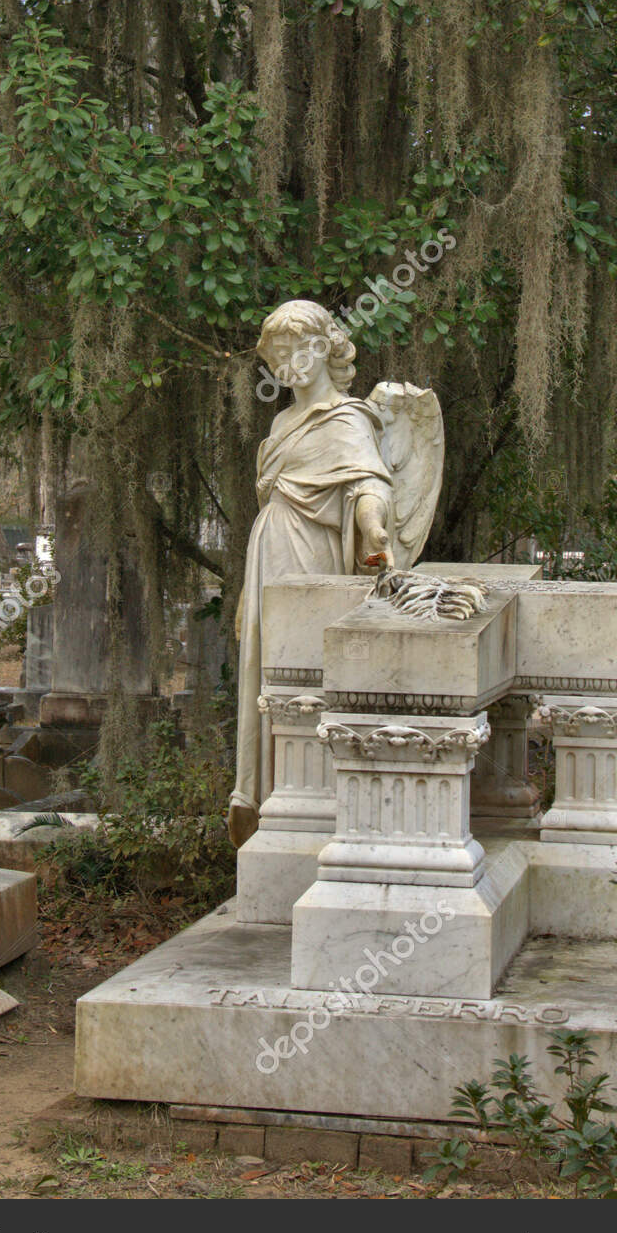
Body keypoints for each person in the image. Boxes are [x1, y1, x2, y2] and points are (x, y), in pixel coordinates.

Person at [229, 299, 396, 849]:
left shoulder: (347, 418)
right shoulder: (280, 421)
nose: (287, 363)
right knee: (267, 671)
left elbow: (370, 483)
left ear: (326, 349)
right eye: (277, 353)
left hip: (313, 555)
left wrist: (373, 530)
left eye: (298, 348)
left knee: (305, 670)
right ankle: (267, 793)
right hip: (270, 552)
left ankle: (312, 800)